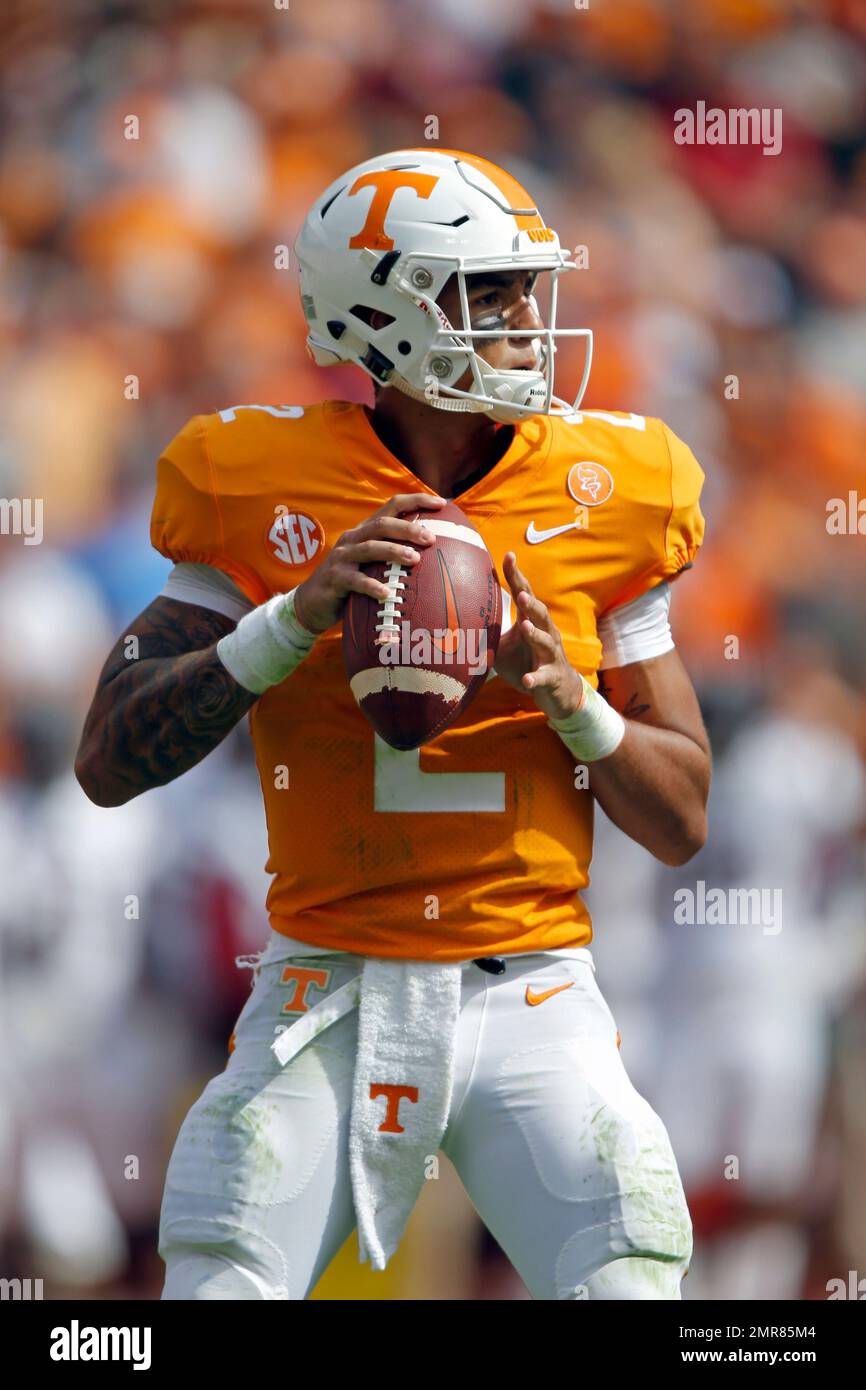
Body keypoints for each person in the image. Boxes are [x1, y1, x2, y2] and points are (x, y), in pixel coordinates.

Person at [75, 148, 711, 1300]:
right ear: (384, 309)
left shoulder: (616, 485)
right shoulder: (252, 477)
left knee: (633, 1277)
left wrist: (566, 696)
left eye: (525, 287)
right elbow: (106, 759)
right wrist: (286, 621)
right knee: (213, 1284)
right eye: (490, 292)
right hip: (322, 989)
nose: (527, 319)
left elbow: (679, 819)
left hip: (532, 996)